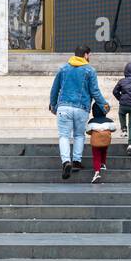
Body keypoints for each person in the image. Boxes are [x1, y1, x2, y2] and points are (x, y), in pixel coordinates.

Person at [49, 44, 110, 180]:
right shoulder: (90, 71)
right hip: (81, 108)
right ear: (86, 55)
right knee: (79, 135)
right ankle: (76, 161)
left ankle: (66, 161)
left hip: (64, 107)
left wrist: (53, 105)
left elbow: (54, 89)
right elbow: (95, 92)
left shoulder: (63, 69)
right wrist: (105, 105)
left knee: (64, 136)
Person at [87, 100, 117, 184]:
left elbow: (88, 130)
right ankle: (103, 164)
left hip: (96, 142)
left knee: (96, 156)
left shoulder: (91, 121)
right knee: (104, 151)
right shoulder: (109, 121)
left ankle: (97, 172)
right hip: (106, 140)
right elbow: (113, 128)